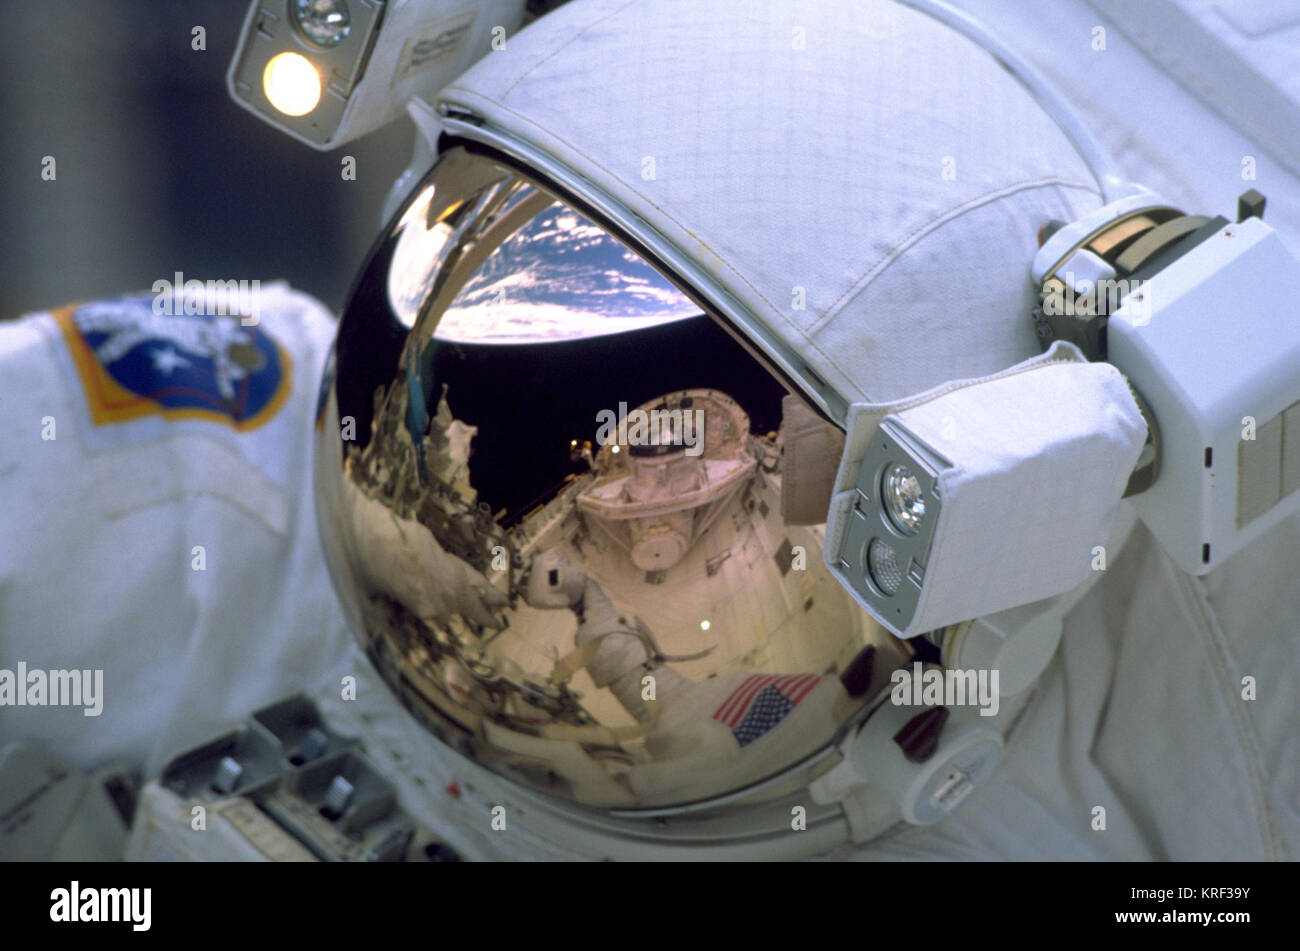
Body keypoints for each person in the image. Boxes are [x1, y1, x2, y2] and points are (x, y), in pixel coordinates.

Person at [2, 0, 1295, 861]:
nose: (529, 596)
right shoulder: (204, 501)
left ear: (984, 530)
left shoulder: (1214, 727)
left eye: (675, 484)